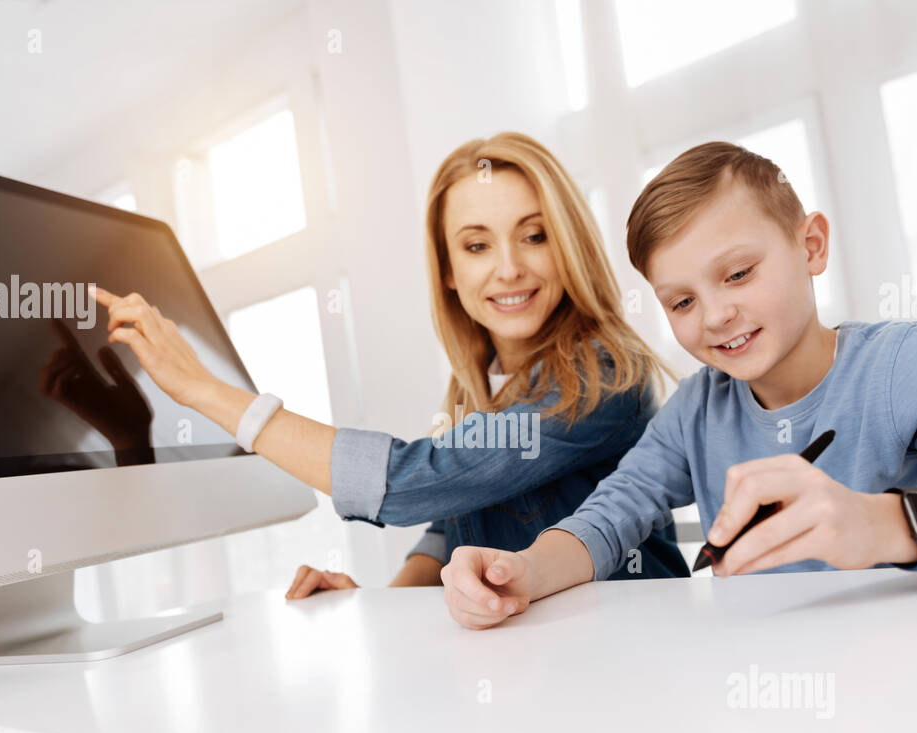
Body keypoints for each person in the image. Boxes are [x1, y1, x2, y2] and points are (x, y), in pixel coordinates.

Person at [439, 140, 917, 629]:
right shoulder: (695, 413)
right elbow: (607, 516)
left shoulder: (905, 367)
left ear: (811, 247)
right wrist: (523, 573)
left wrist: (883, 523)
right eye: (681, 301)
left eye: (738, 274)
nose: (715, 315)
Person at [93, 132, 691, 594]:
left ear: (569, 245)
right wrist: (379, 602)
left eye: (534, 236)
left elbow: (415, 484)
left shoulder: (604, 376)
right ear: (450, 271)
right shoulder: (482, 384)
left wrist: (202, 388)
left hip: (630, 665)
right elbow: (455, 522)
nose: (508, 267)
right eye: (477, 245)